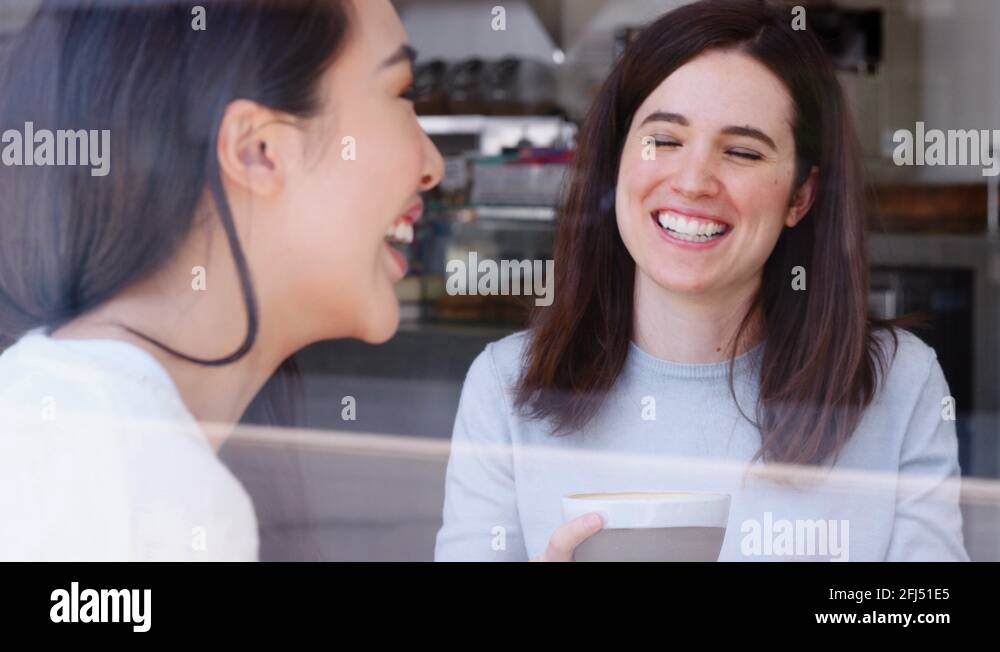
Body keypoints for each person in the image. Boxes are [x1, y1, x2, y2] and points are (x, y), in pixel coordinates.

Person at [435, 0, 968, 562]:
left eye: (741, 151)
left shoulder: (900, 384)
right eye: (663, 140)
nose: (692, 181)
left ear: (800, 196)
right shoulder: (504, 387)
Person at [0, 0, 443, 561]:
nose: (433, 164)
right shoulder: (128, 483)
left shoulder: (76, 430)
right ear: (257, 150)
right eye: (400, 92)